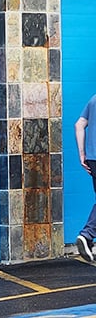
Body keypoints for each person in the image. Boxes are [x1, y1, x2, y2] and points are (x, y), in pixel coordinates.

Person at [75, 95, 96, 261]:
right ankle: (87, 234)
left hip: (93, 159)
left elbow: (79, 125)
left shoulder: (93, 100)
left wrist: (82, 154)